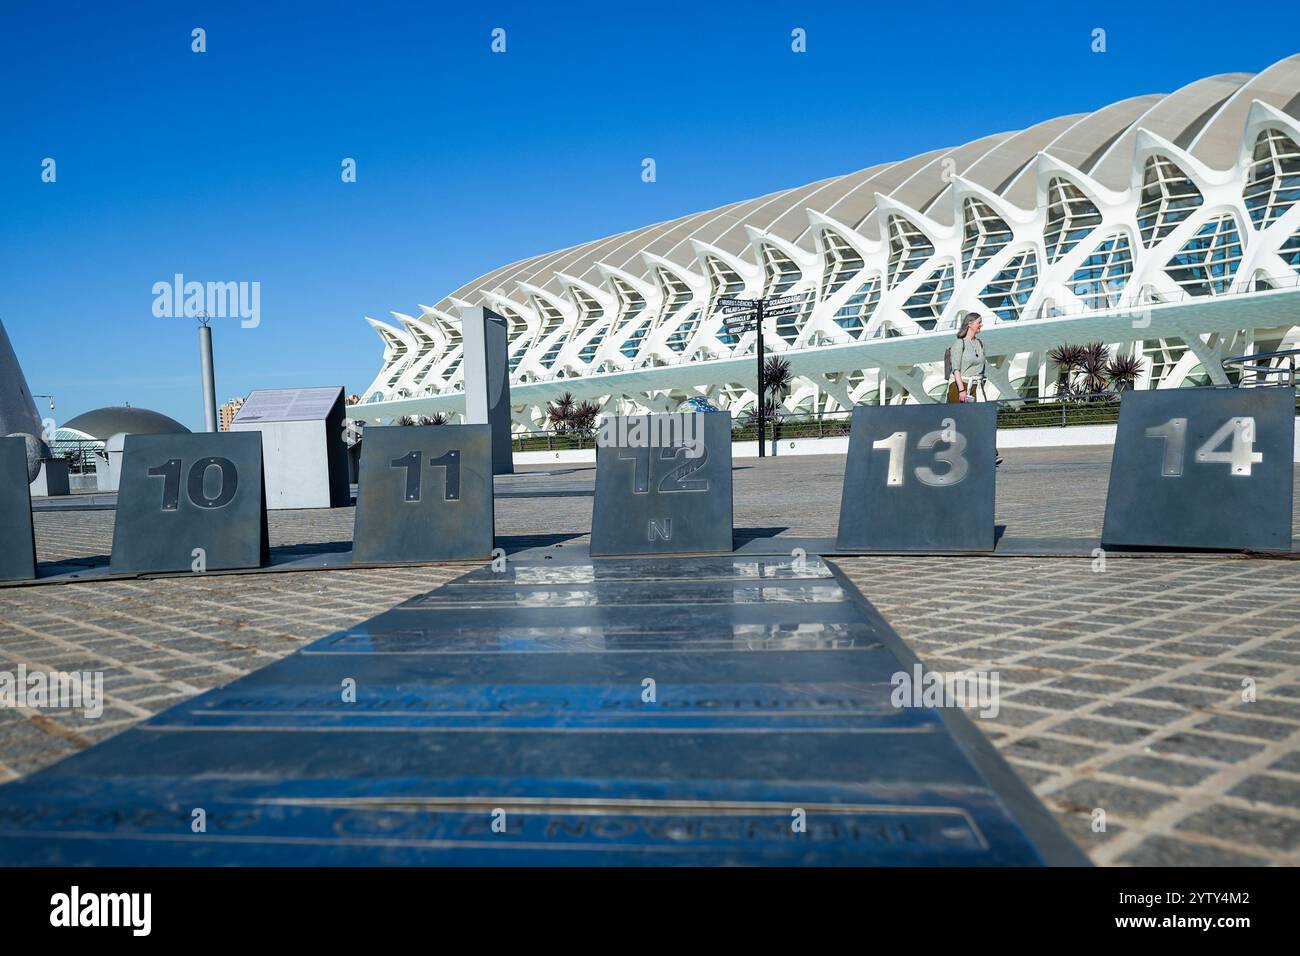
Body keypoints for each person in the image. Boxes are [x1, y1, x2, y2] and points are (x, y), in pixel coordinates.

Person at [947, 312, 1003, 465]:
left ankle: (991, 454)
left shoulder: (980, 343)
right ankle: (954, 456)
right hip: (960, 386)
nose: (981, 324)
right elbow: (955, 369)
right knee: (958, 423)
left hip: (977, 386)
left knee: (983, 419)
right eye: (979, 322)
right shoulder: (959, 344)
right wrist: (961, 390)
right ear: (970, 324)